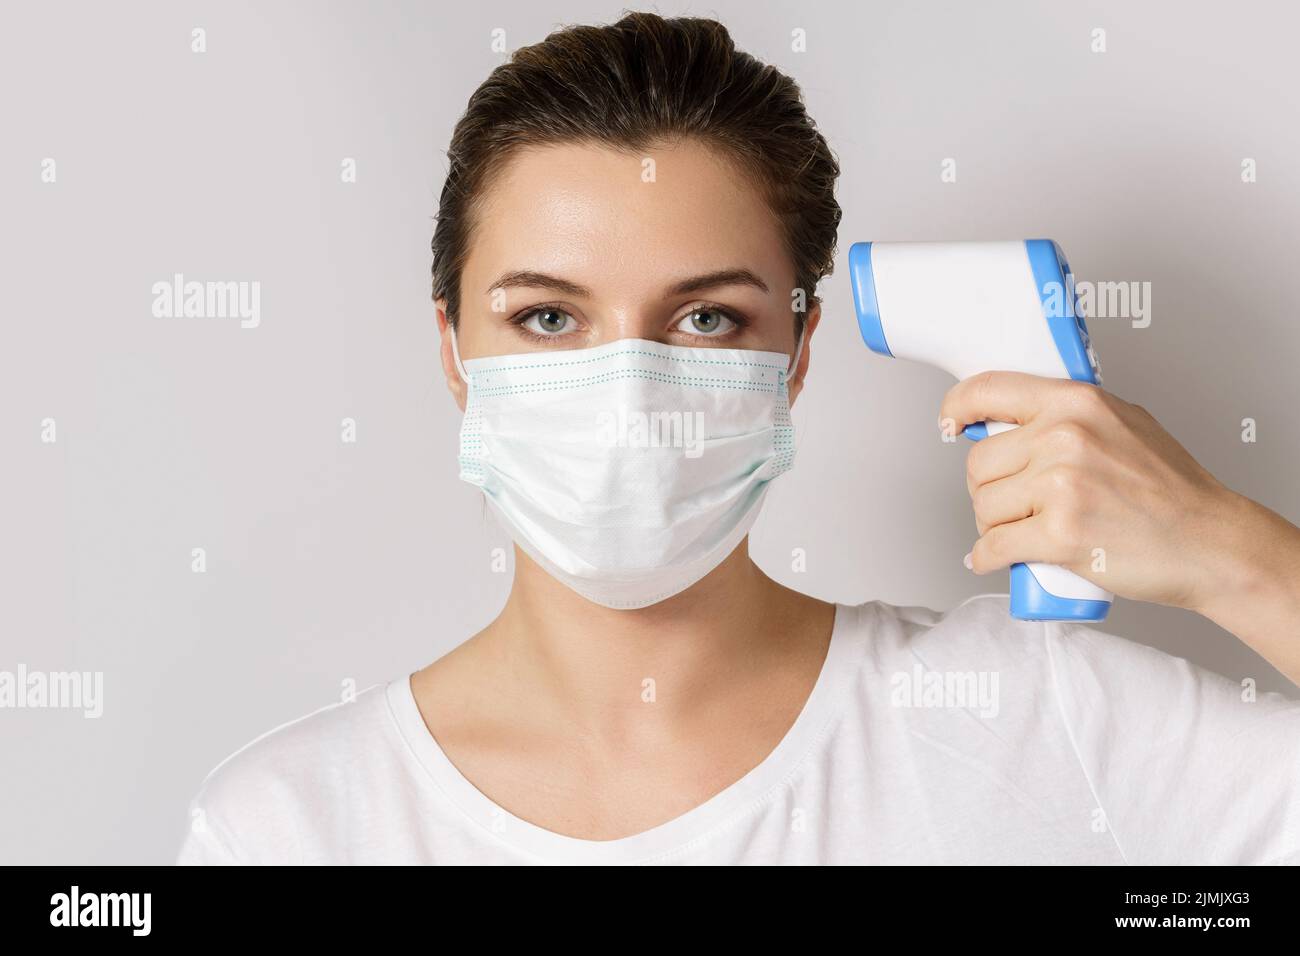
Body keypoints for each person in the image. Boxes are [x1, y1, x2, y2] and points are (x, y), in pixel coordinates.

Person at [176, 12, 1300, 865]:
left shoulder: (1038, 717)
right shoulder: (293, 825)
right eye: (548, 317)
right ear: (452, 348)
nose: (627, 389)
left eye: (705, 316)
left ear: (795, 353)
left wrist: (1230, 553)